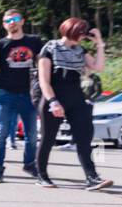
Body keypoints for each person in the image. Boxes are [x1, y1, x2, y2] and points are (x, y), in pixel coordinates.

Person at [36, 17, 111, 190]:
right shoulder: (49, 48)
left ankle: (92, 177)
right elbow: (44, 81)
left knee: (84, 139)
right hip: (53, 99)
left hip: (77, 99)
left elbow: (98, 67)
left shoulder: (80, 50)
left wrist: (99, 43)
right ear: (73, 31)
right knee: (48, 139)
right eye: (82, 33)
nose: (84, 37)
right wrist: (53, 102)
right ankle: (42, 175)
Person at [0, 9, 42, 183]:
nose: (12, 22)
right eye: (8, 20)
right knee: (1, 132)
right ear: (4, 24)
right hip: (5, 94)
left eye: (15, 19)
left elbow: (43, 64)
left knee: (31, 134)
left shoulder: (34, 42)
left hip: (29, 94)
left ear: (22, 21)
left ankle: (30, 164)